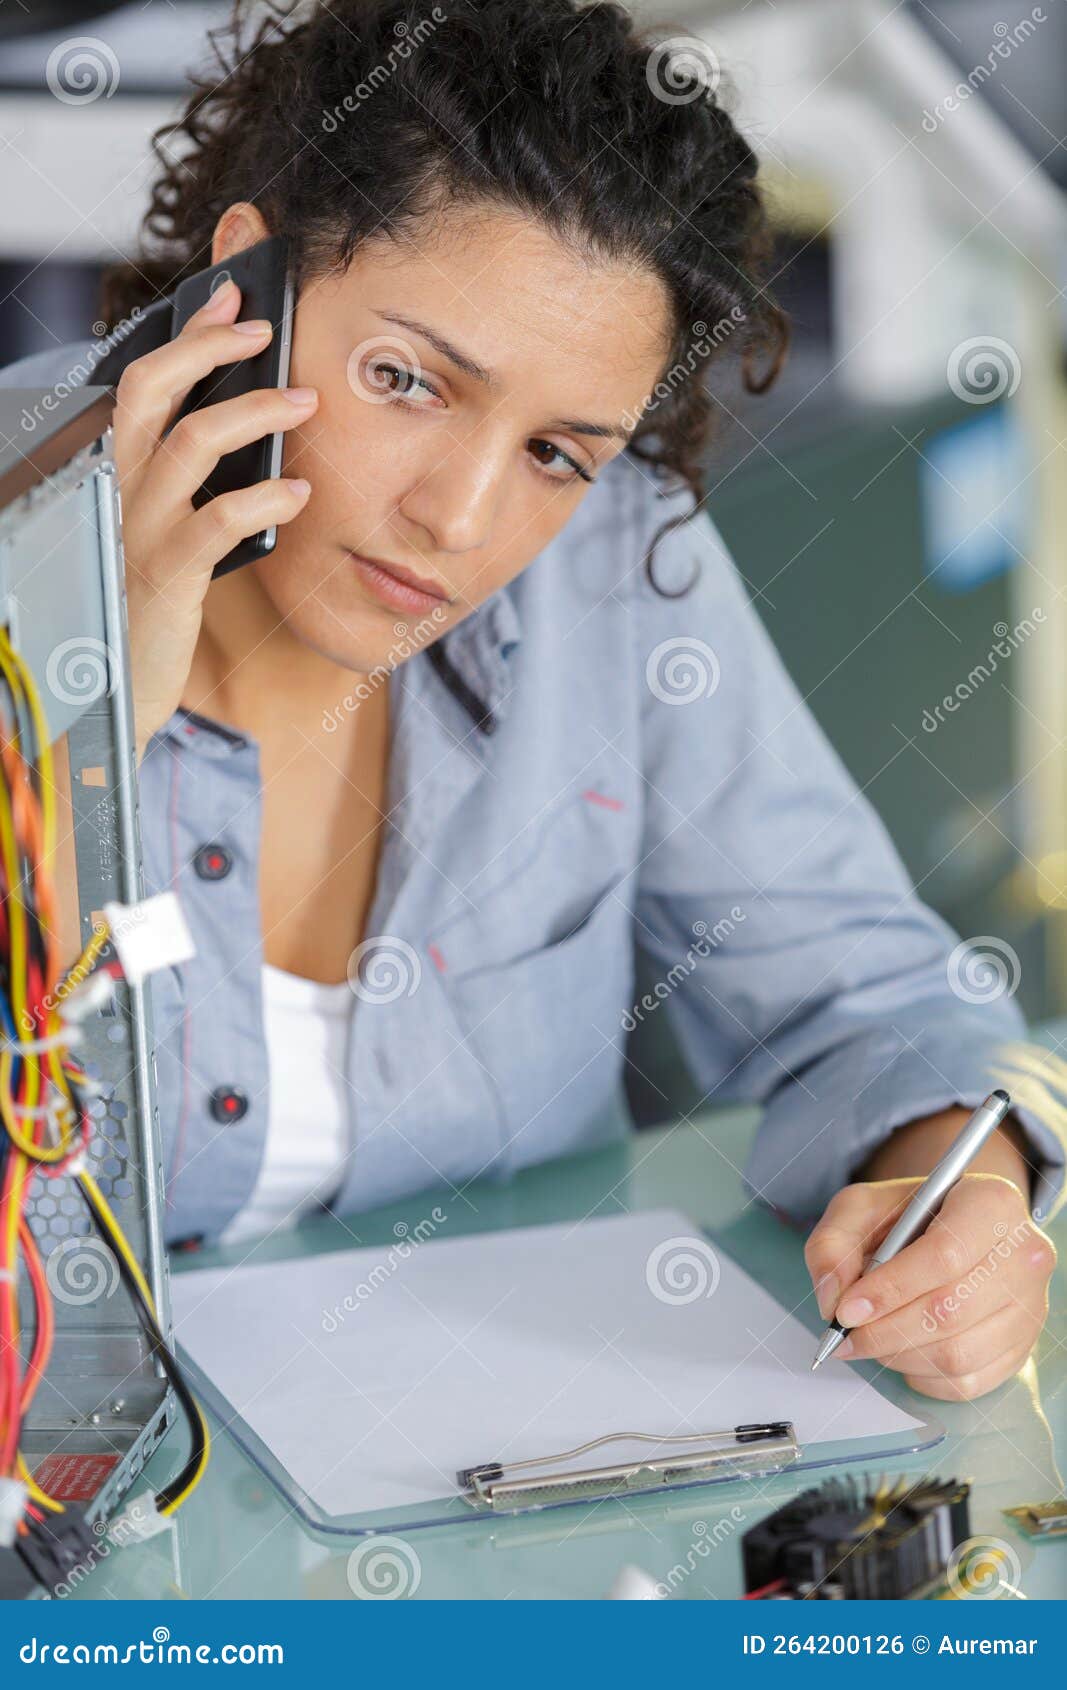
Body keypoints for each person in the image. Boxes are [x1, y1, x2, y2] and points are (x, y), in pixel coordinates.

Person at [1, 0, 1061, 1401]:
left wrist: (963, 1193)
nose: (460, 518)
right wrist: (77, 732)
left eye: (557, 450)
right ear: (242, 291)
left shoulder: (611, 560)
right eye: (406, 380)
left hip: (513, 1468)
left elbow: (866, 993)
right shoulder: (16, 537)